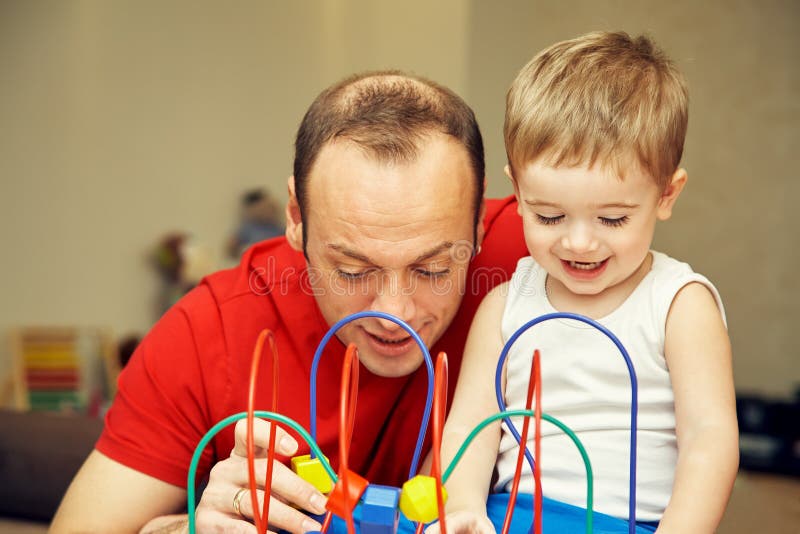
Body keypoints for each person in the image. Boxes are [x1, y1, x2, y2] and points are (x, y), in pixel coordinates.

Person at [49, 71, 528, 533]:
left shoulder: (548, 251)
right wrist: (187, 528)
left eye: (433, 270)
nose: (394, 311)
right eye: (353, 270)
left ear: (477, 222)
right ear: (297, 217)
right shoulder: (208, 332)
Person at [433, 32, 738, 533]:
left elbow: (710, 439)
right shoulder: (505, 306)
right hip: (512, 518)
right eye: (548, 216)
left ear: (667, 193)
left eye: (612, 219)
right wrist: (464, 507)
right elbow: (469, 427)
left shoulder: (679, 305)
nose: (578, 243)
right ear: (518, 190)